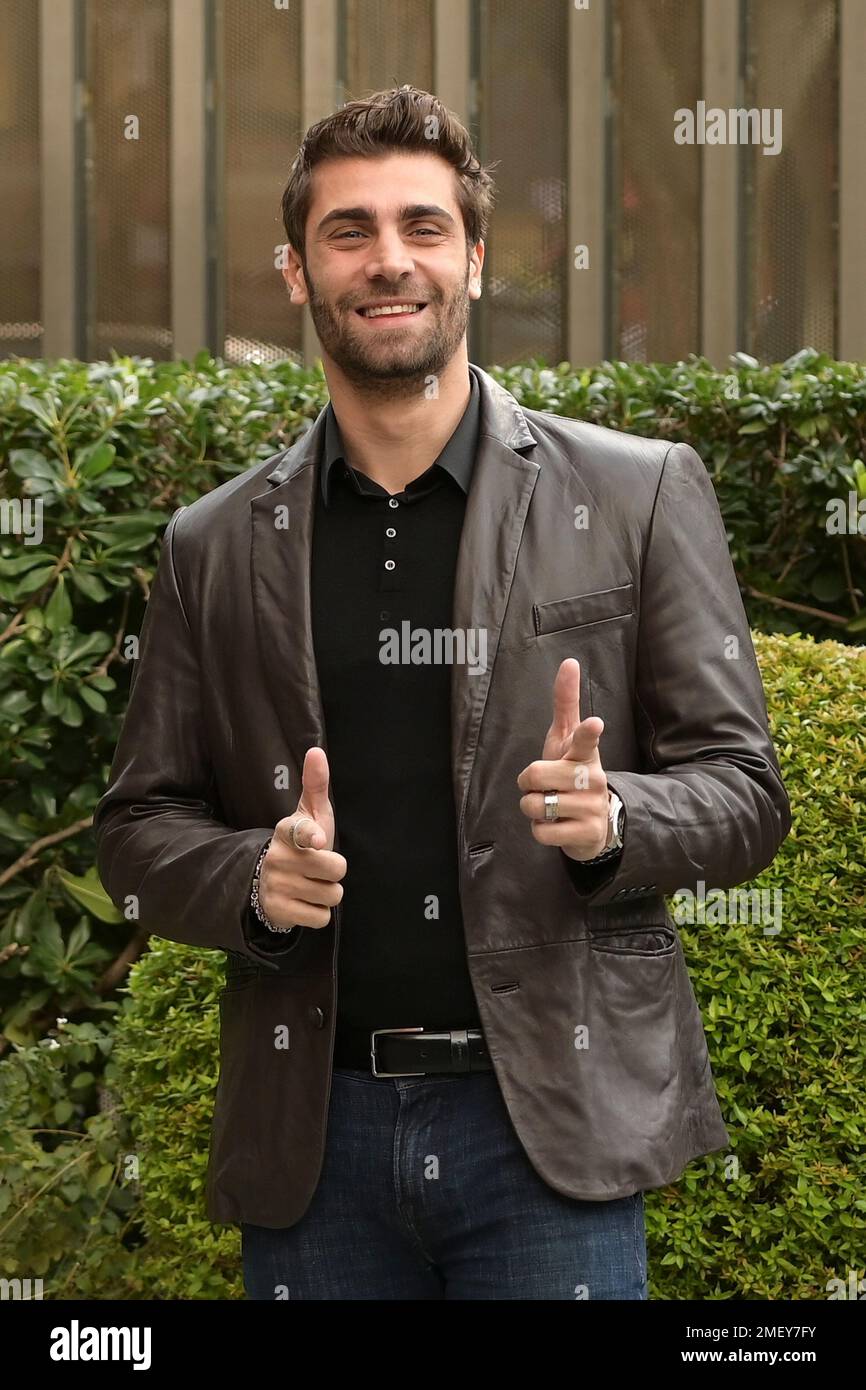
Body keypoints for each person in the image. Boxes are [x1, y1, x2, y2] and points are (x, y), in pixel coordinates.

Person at [94, 85, 791, 1300]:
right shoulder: (211, 545)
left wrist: (617, 819)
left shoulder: (635, 497)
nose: (387, 260)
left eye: (421, 227)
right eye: (347, 231)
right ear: (298, 272)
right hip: (319, 1147)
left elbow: (744, 792)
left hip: (543, 1137)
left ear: (472, 256)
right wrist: (249, 881)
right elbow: (136, 831)